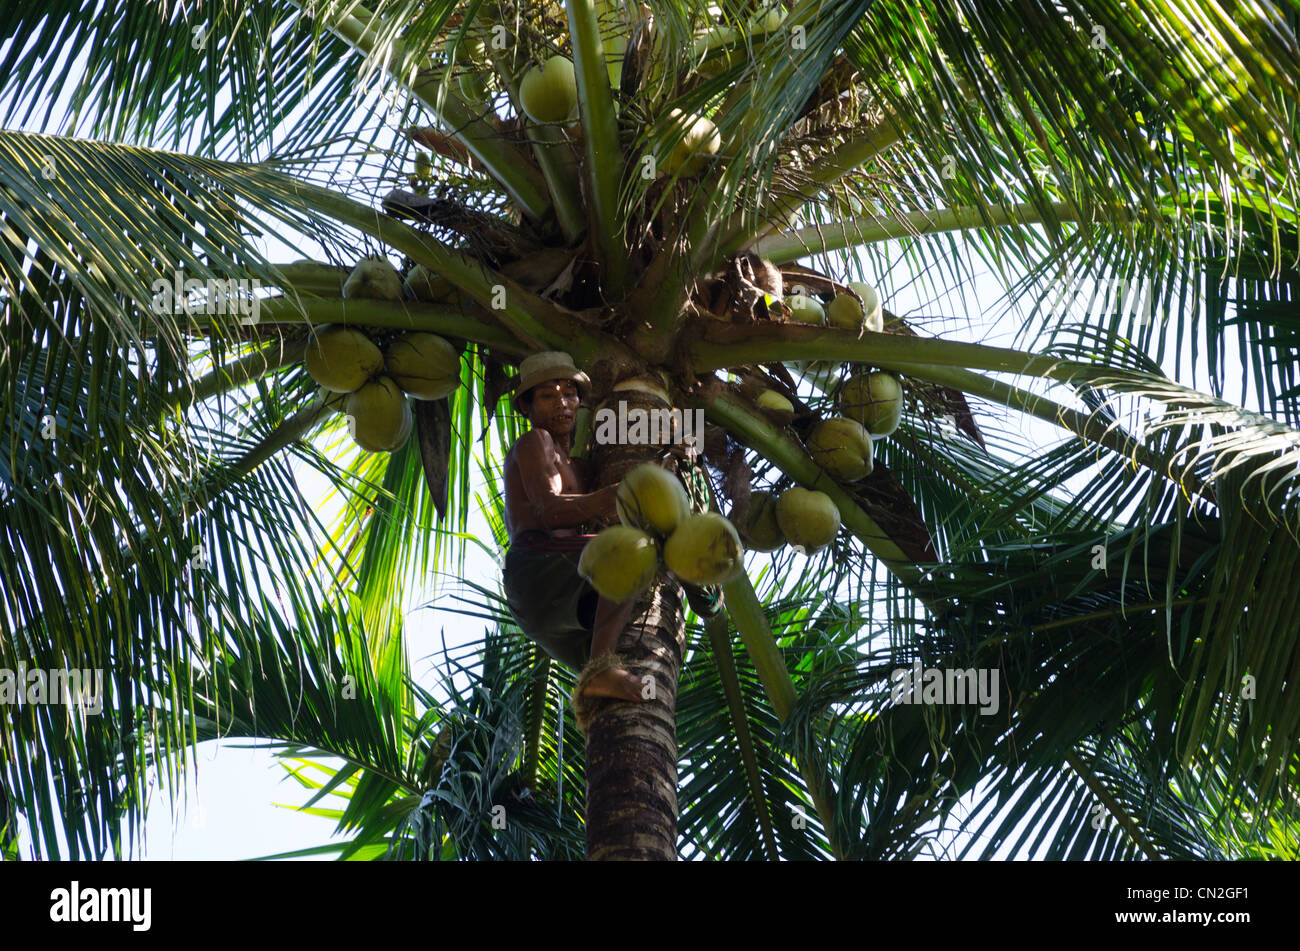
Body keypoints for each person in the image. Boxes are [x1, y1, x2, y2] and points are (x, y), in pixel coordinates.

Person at [501, 352, 647, 731]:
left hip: (560, 604)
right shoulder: (536, 441)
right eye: (548, 396)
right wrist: (607, 498)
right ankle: (600, 670)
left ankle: (598, 678)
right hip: (536, 567)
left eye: (570, 393)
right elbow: (548, 509)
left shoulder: (579, 466)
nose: (562, 403)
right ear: (526, 406)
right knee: (633, 548)